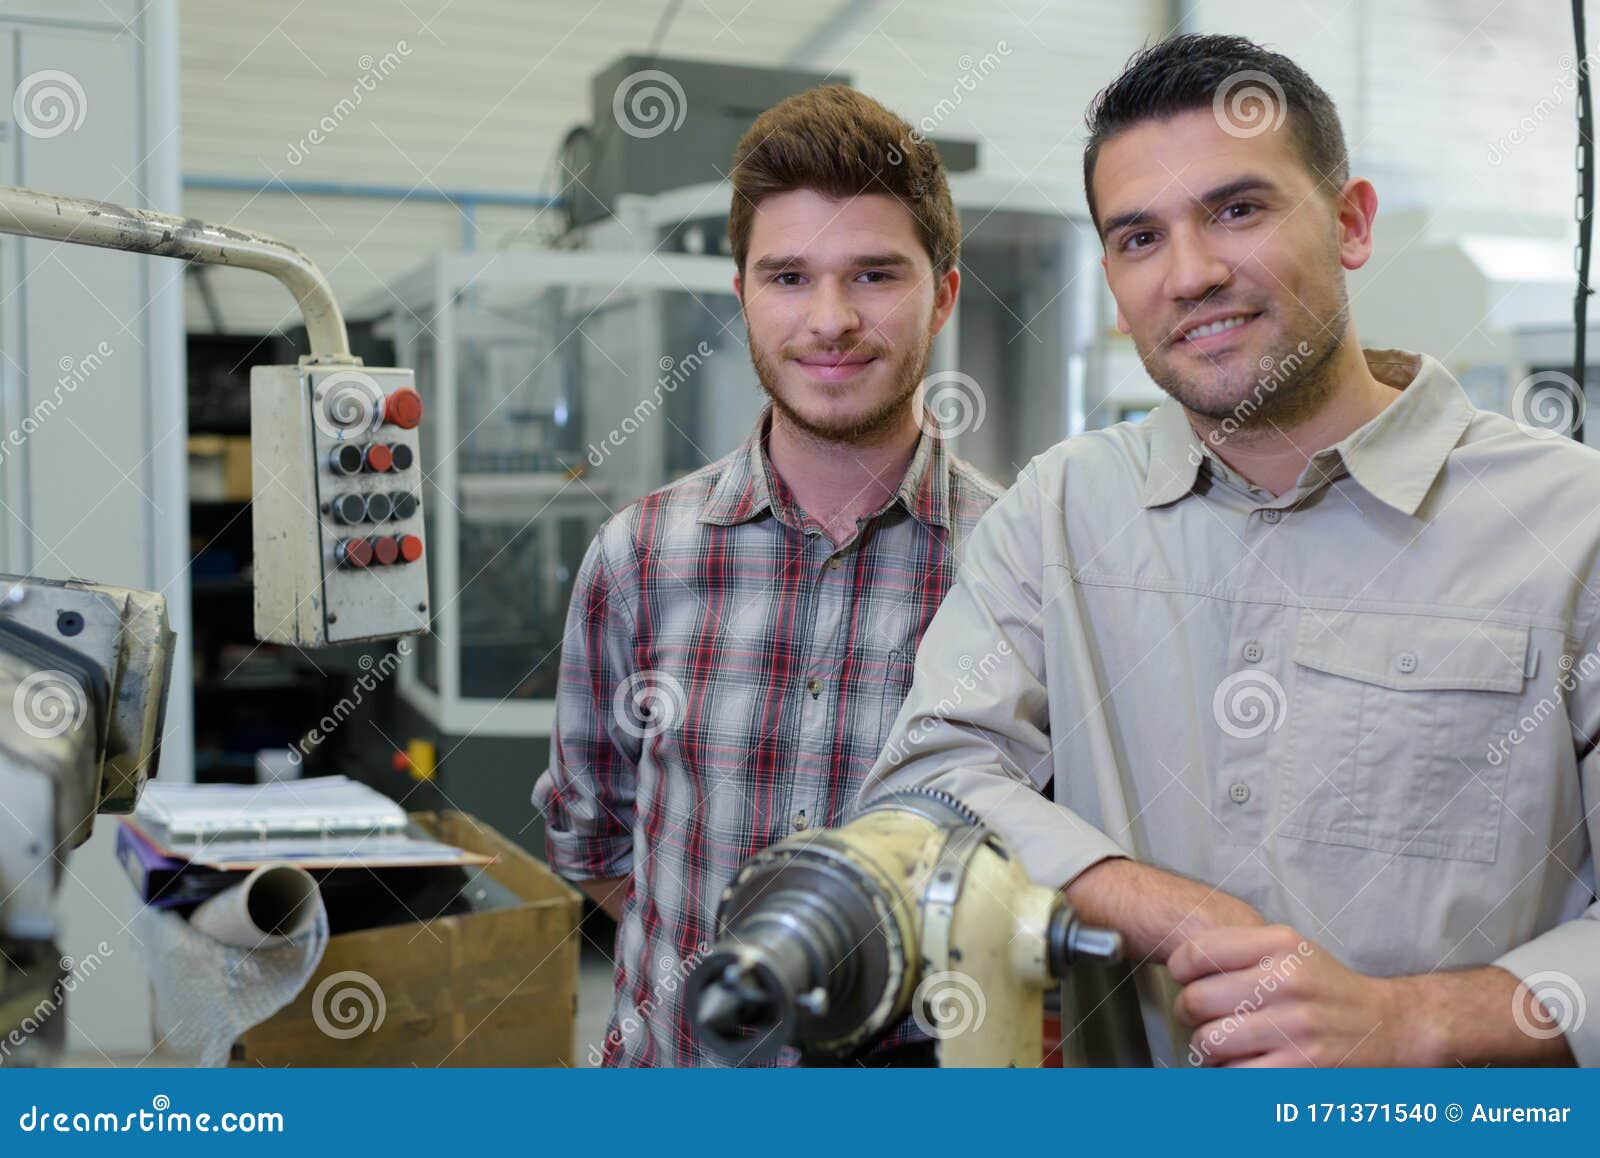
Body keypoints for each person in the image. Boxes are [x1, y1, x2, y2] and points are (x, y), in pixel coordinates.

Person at [864, 34, 1597, 1067]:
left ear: (1349, 223)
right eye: (1138, 238)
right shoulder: (1062, 512)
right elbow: (930, 782)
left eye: (1237, 211)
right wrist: (1164, 913)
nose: (1191, 274)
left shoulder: (1570, 527)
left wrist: (1416, 1021)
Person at [534, 85, 1002, 1066]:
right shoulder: (638, 557)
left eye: (874, 275)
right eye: (788, 276)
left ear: (943, 294)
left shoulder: (1020, 570)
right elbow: (593, 842)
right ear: (741, 293)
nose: (829, 319)